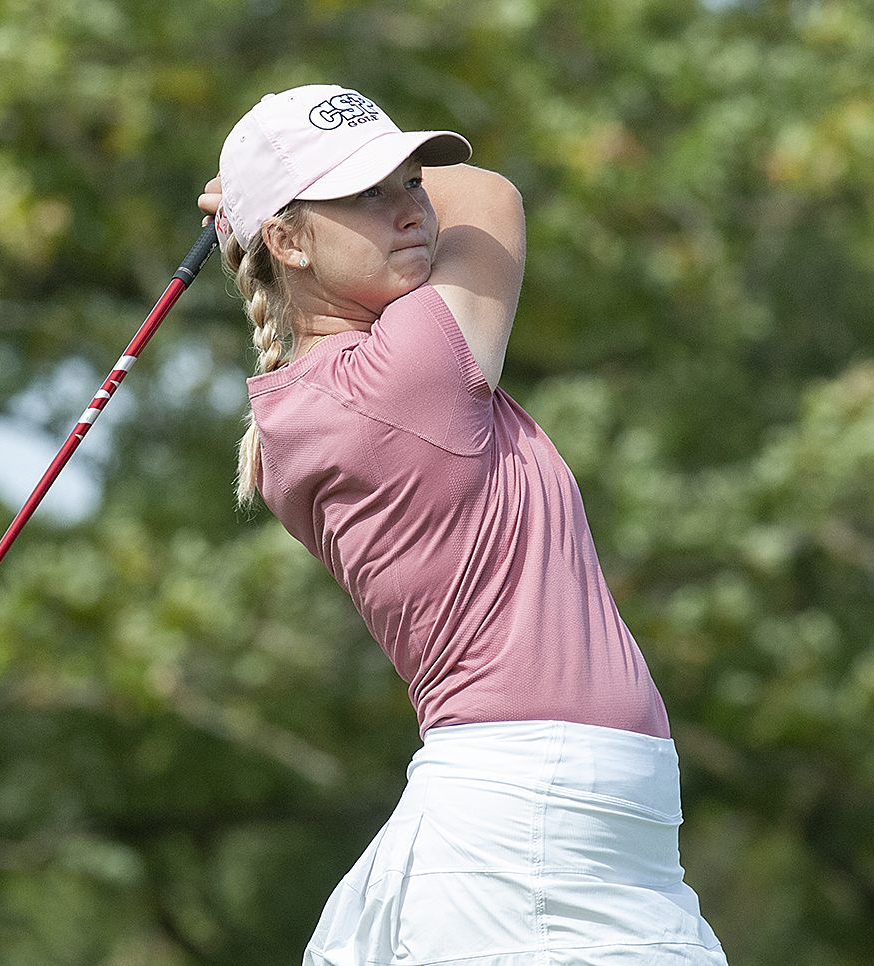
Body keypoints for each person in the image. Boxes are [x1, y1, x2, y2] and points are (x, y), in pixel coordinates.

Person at [198, 84, 727, 966]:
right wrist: (251, 198)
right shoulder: (403, 376)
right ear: (288, 243)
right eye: (366, 193)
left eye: (411, 181)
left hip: (555, 821)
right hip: (530, 822)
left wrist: (265, 201)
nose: (410, 208)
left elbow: (442, 207)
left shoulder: (326, 396)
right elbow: (490, 197)